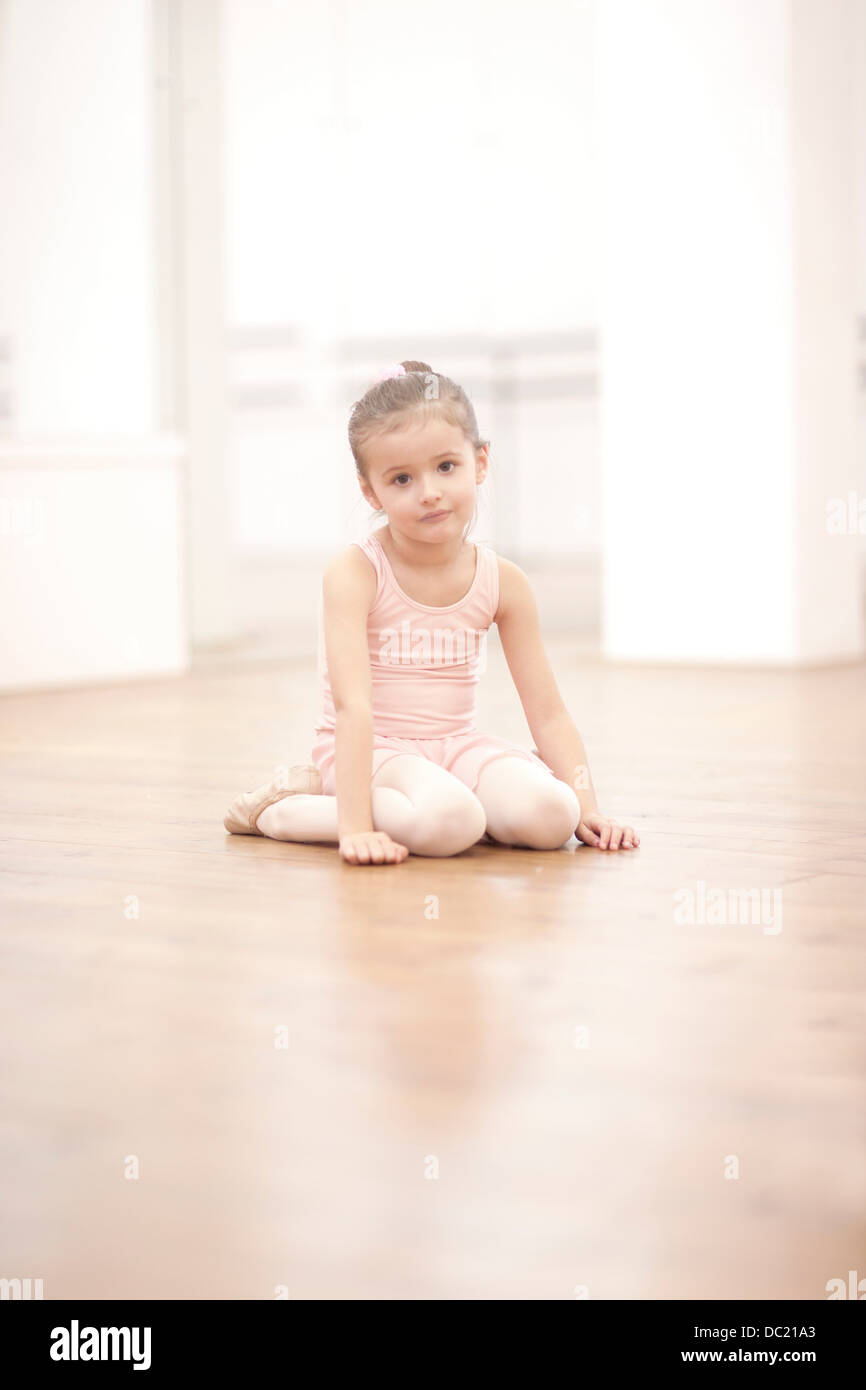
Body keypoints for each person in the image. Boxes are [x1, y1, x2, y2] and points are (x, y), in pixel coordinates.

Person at [224, 360, 640, 866]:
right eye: (401, 478)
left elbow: (548, 712)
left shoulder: (503, 582)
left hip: (455, 745)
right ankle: (284, 808)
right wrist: (355, 829)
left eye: (446, 467)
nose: (429, 492)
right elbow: (353, 708)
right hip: (369, 751)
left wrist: (588, 808)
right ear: (370, 491)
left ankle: (449, 806)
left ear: (480, 461)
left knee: (555, 815)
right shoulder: (356, 573)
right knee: (452, 823)